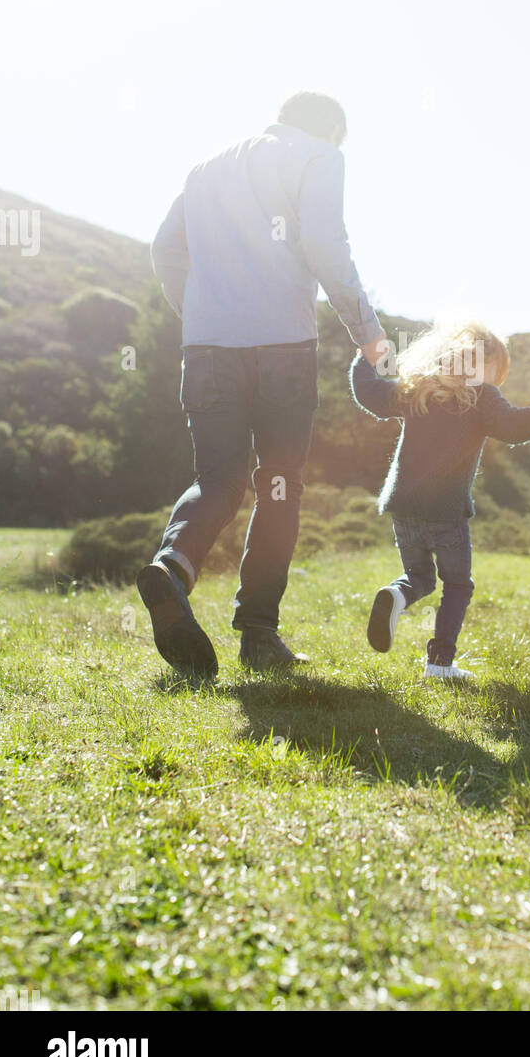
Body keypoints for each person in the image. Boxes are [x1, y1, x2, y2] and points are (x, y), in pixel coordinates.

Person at [139, 91, 384, 679]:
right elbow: (325, 246)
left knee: (217, 481)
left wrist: (198, 314)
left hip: (207, 349)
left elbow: (164, 247)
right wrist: (367, 330)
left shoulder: (205, 168)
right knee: (278, 485)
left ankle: (172, 568)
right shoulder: (319, 155)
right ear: (329, 129)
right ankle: (258, 634)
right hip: (281, 348)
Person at [350, 321, 530, 680]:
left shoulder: (418, 387)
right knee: (457, 584)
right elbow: (514, 427)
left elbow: (371, 396)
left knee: (419, 577)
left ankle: (396, 595)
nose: (494, 381)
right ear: (484, 363)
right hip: (446, 512)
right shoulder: (482, 397)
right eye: (495, 372)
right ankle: (439, 664)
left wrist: (366, 357)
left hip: (404, 507)